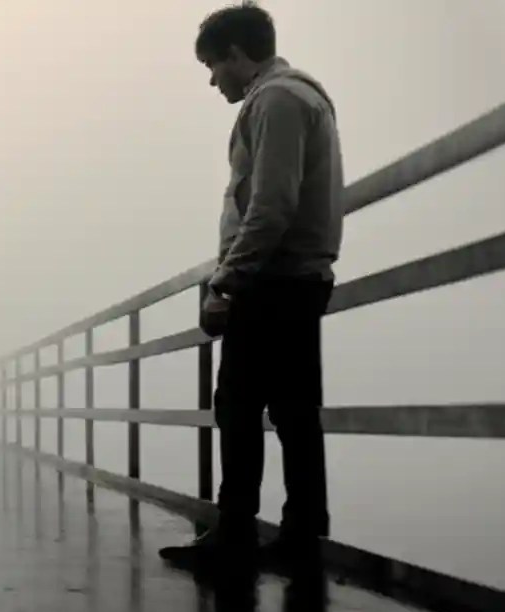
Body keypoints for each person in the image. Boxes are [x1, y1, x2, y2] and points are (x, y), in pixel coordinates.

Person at [159, 3, 343, 571]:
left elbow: (270, 205)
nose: (213, 80)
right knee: (291, 410)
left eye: (214, 66)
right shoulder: (298, 96)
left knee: (239, 408)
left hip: (274, 281)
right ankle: (299, 536)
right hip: (294, 278)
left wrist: (227, 283)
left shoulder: (278, 100)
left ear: (239, 54)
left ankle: (238, 534)